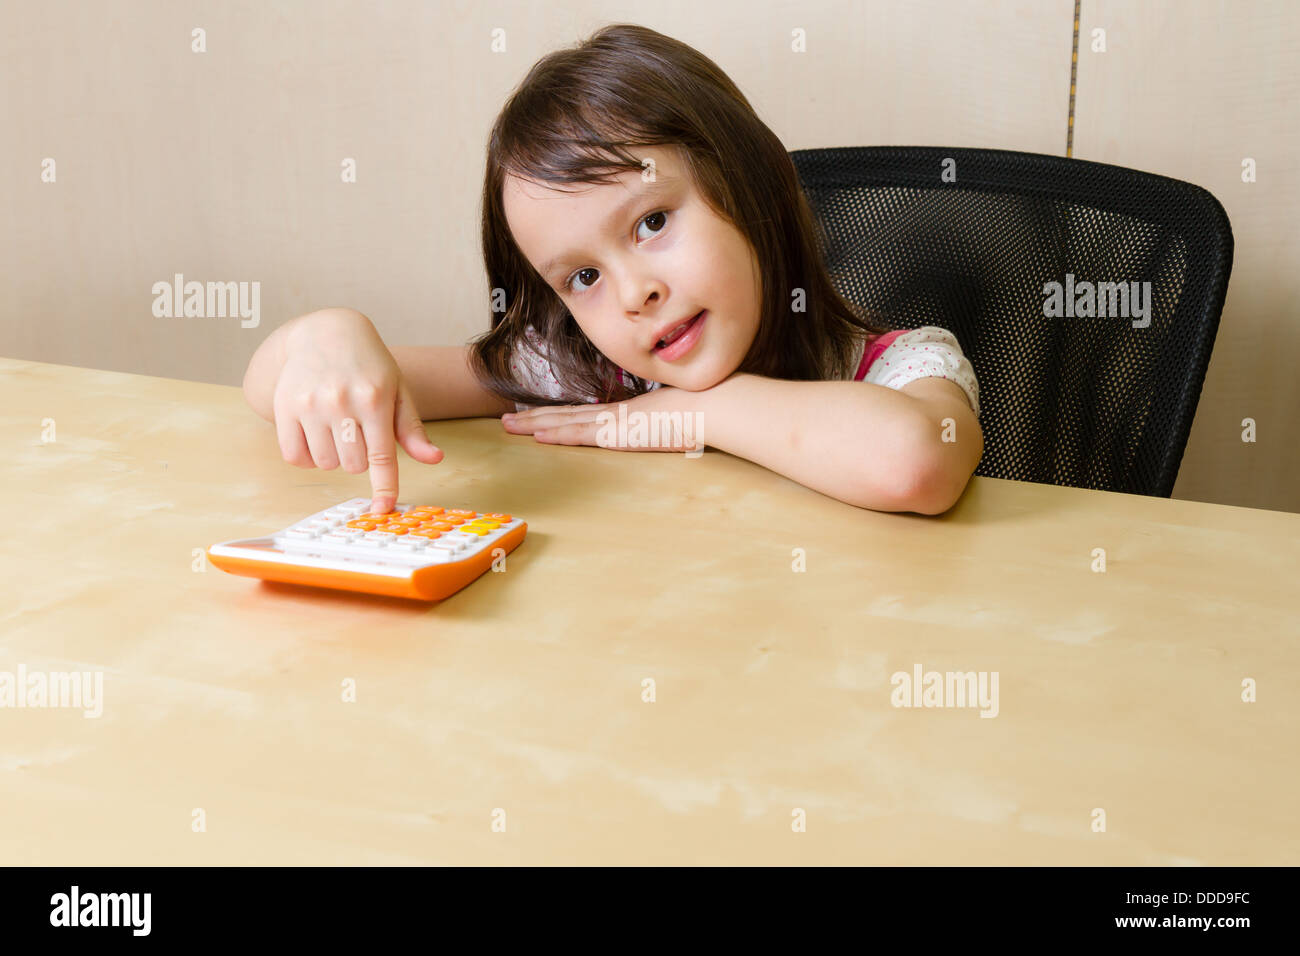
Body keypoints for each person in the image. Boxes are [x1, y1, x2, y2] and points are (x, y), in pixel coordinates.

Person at [242, 24, 982, 516]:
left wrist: (690, 414)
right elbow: (273, 388)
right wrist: (327, 337)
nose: (635, 295)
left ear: (751, 179)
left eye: (652, 222)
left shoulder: (902, 367)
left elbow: (914, 462)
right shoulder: (584, 374)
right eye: (582, 278)